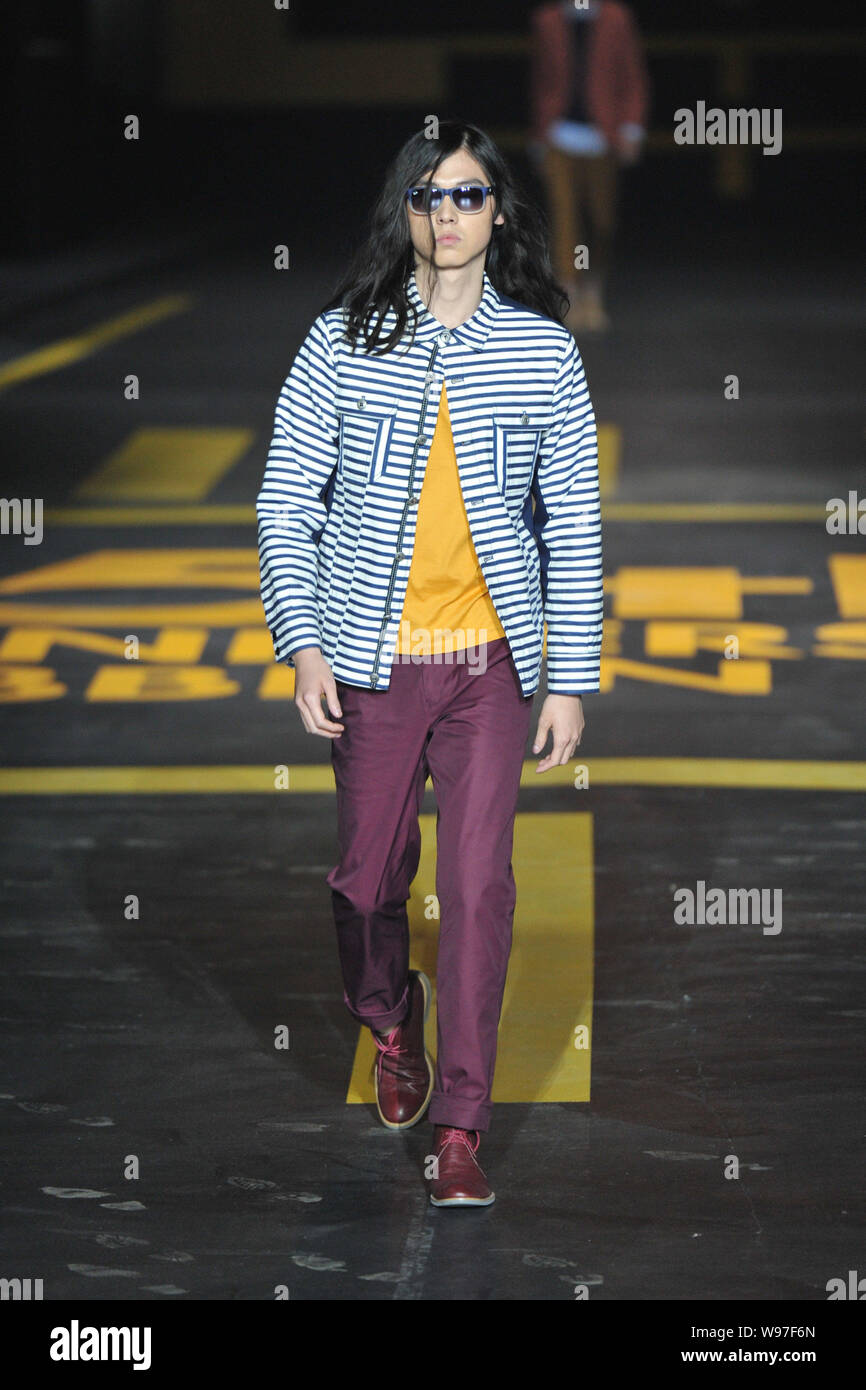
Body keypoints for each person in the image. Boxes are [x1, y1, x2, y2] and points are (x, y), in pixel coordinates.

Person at [256, 119, 603, 1207]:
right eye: (424, 197)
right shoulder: (338, 342)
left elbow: (574, 524)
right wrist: (302, 640)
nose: (444, 216)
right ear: (399, 213)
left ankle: (460, 1122)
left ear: (498, 213)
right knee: (363, 882)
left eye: (463, 197)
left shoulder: (541, 352)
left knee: (480, 885)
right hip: (368, 660)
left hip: (487, 669)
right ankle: (387, 1015)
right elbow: (282, 502)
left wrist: (568, 675)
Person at [531, 0, 649, 332]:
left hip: (603, 137)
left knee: (600, 219)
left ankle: (593, 292)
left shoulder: (617, 19)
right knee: (564, 216)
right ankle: (569, 295)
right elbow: (541, 82)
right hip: (560, 135)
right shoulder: (547, 20)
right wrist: (540, 137)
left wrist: (631, 129)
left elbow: (632, 75)